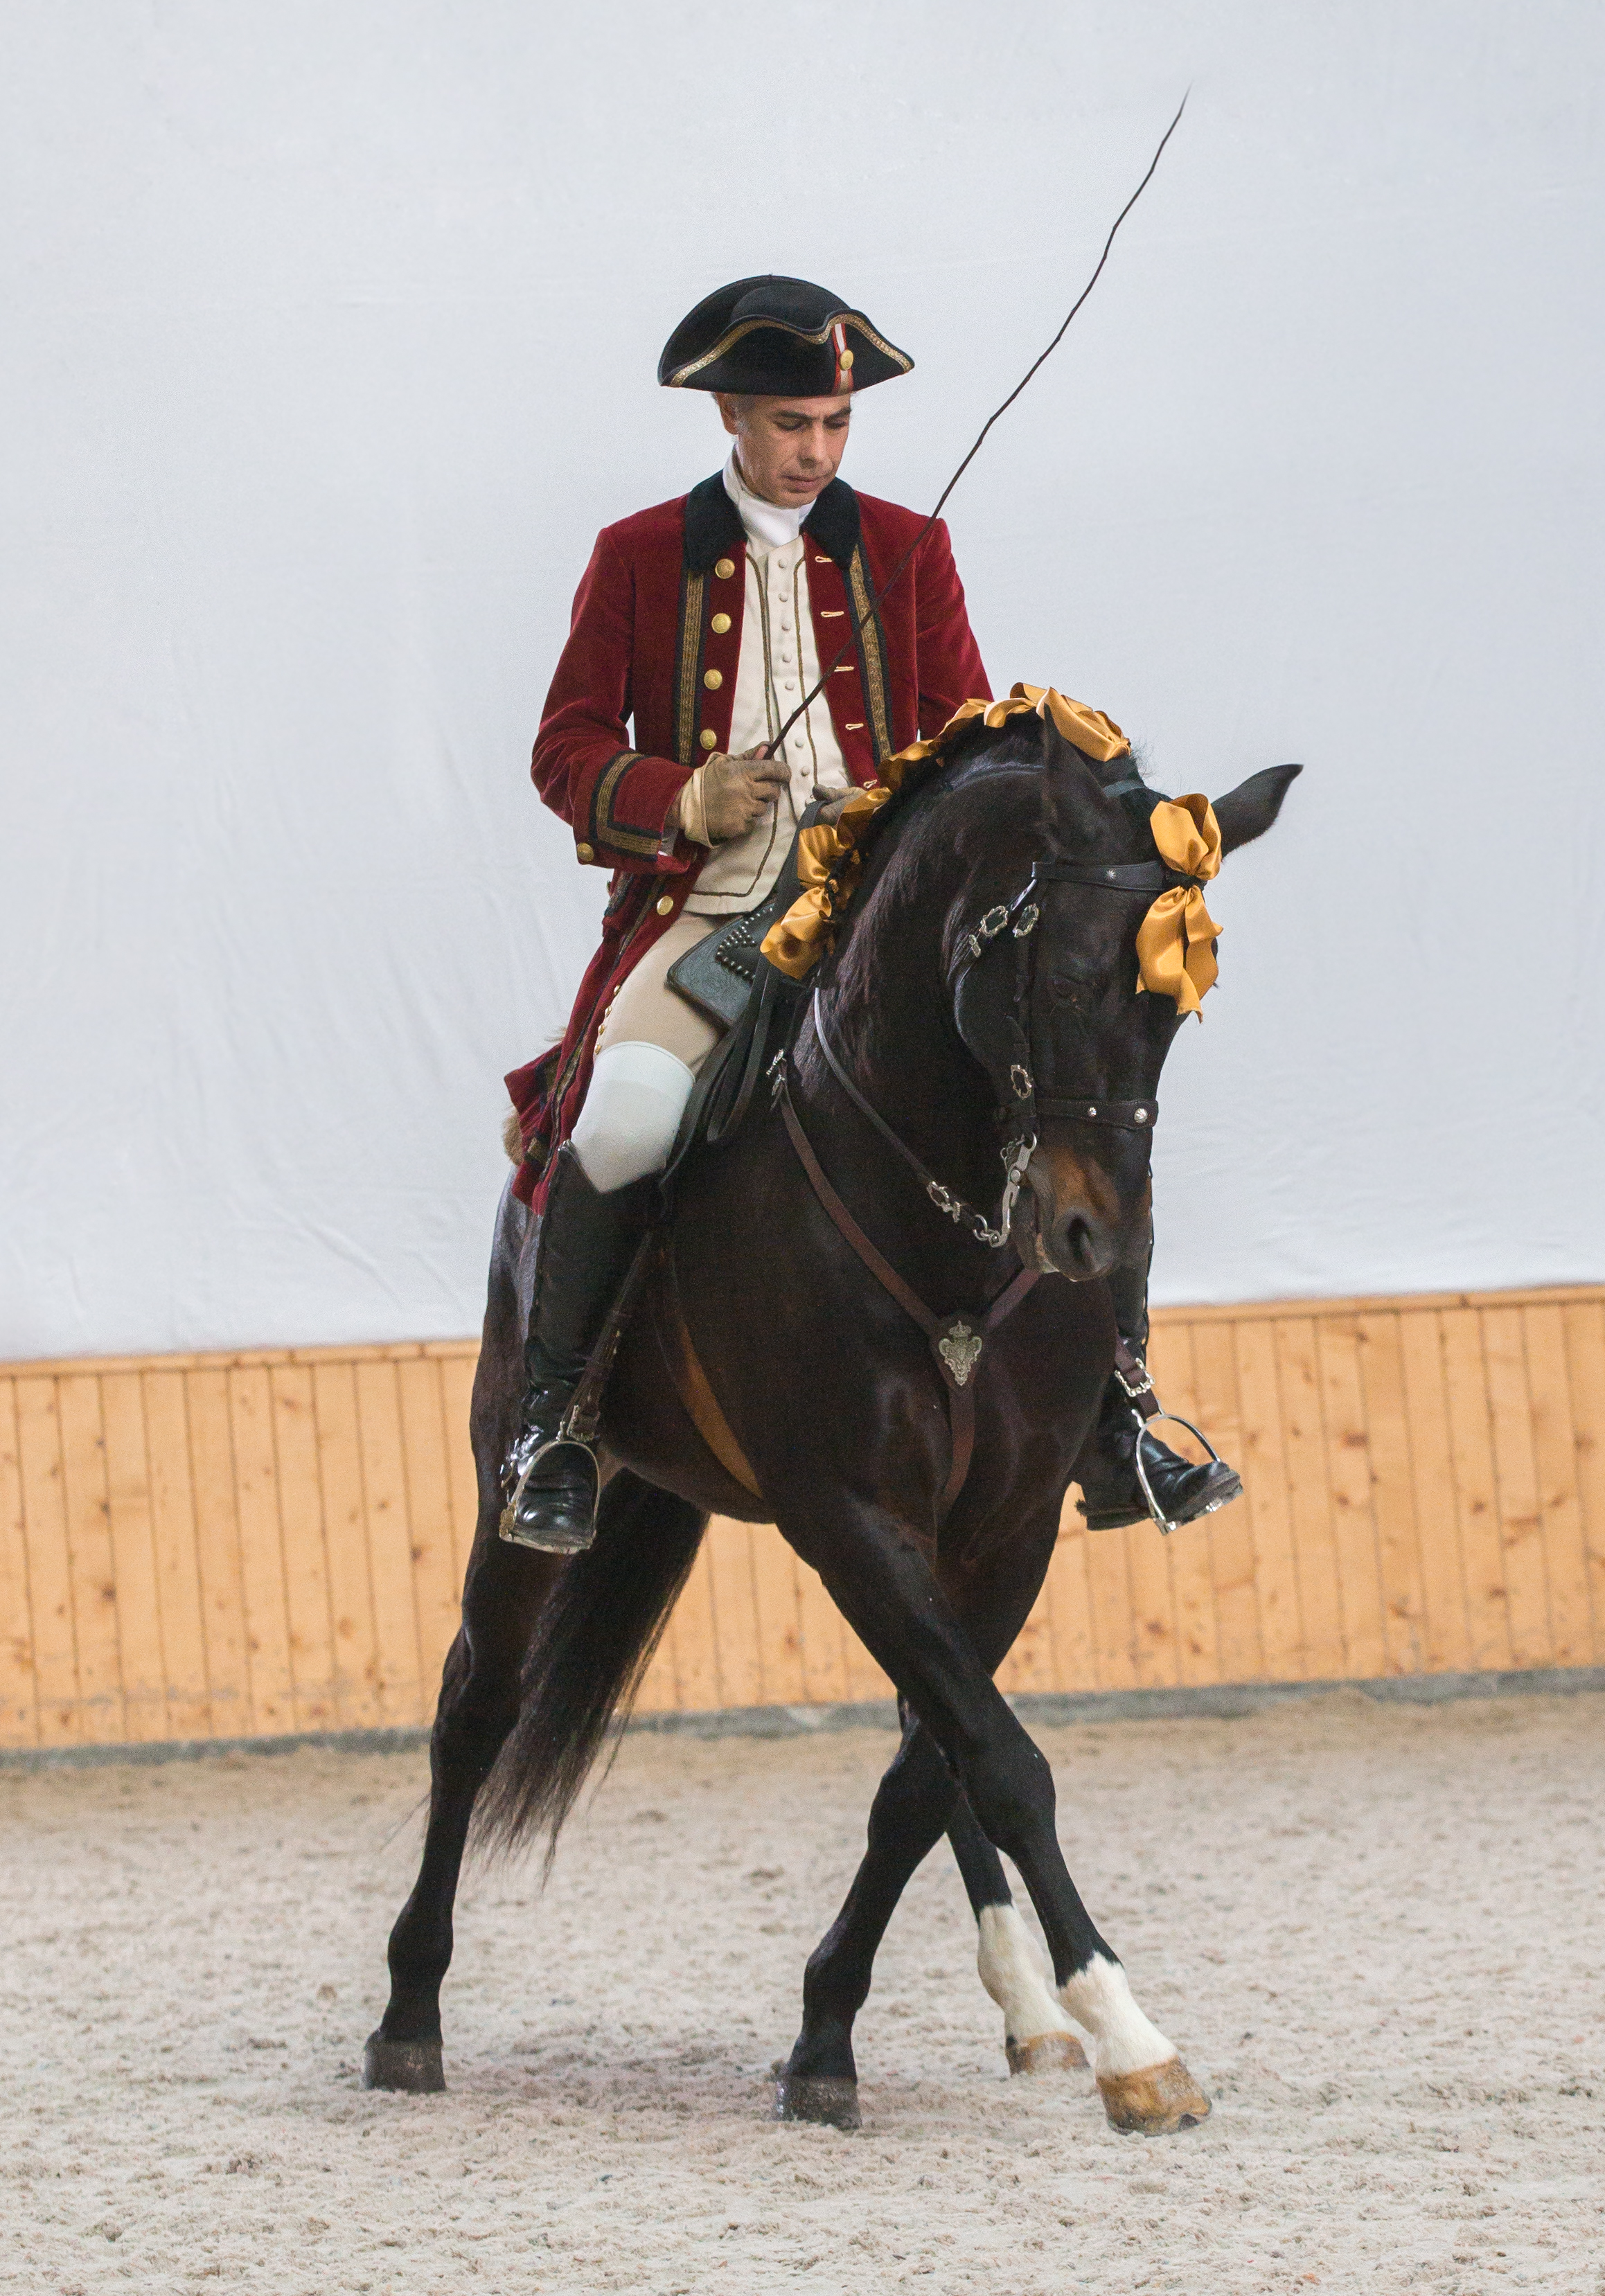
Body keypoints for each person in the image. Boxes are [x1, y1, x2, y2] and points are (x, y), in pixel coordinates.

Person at [500, 274, 1239, 1552]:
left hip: (881, 923)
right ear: (730, 413)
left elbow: (974, 743)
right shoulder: (636, 557)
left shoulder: (907, 549)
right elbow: (564, 748)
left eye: (835, 427)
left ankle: (1119, 1415)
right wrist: (686, 797)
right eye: (792, 424)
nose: (816, 452)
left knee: (1075, 1090)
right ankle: (553, 1426)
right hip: (719, 912)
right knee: (621, 1116)